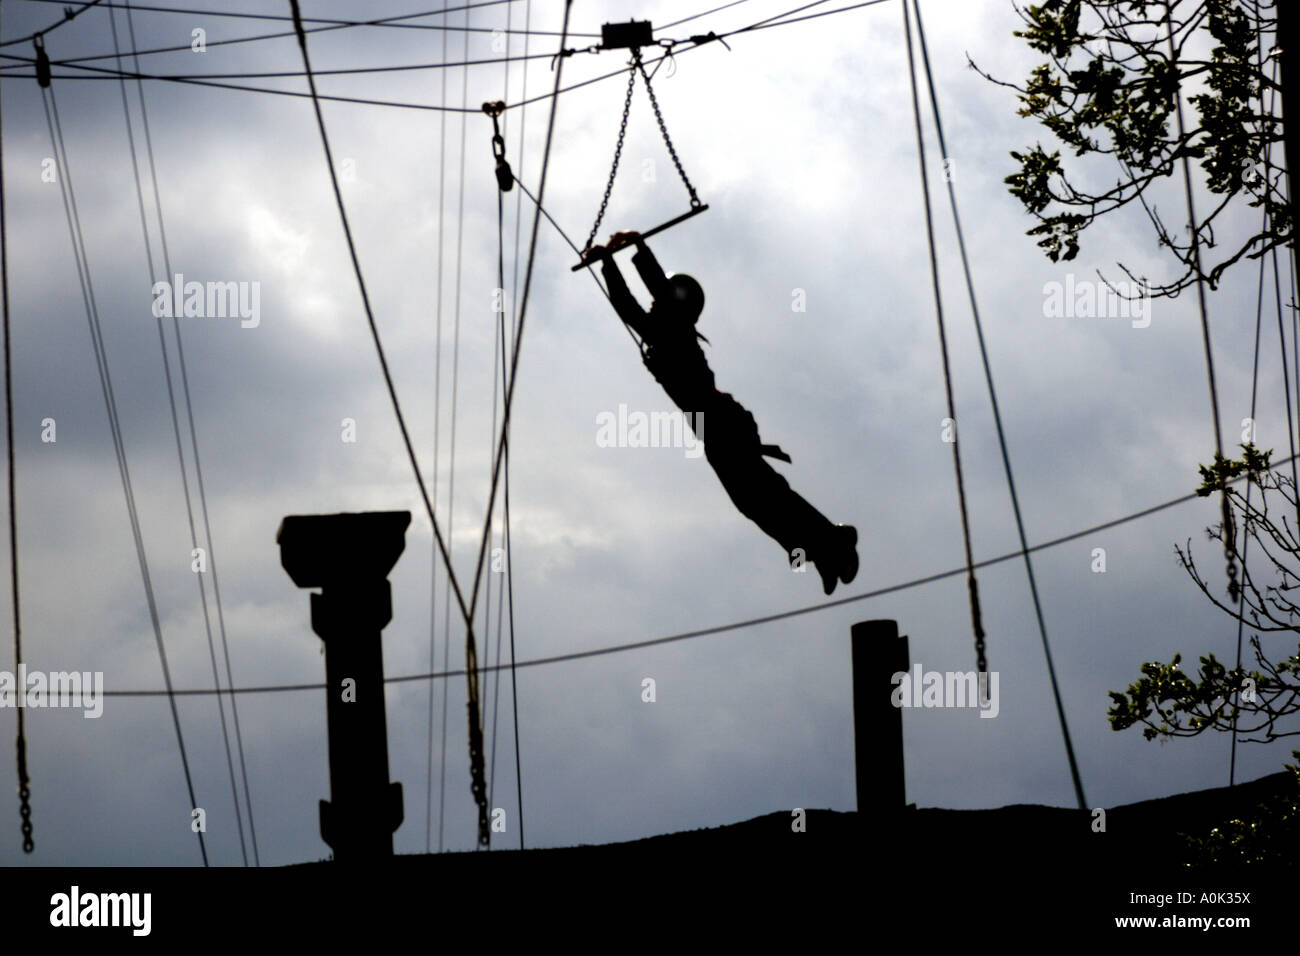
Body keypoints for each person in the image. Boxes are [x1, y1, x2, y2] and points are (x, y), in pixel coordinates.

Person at [586, 231, 859, 595]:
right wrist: (615, 260)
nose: (652, 306)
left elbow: (642, 296)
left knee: (764, 494)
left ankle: (833, 539)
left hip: (720, 421)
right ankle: (817, 552)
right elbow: (632, 303)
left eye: (661, 301)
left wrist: (627, 255)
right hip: (713, 427)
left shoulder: (674, 330)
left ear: (675, 305)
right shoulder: (662, 331)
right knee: (753, 503)